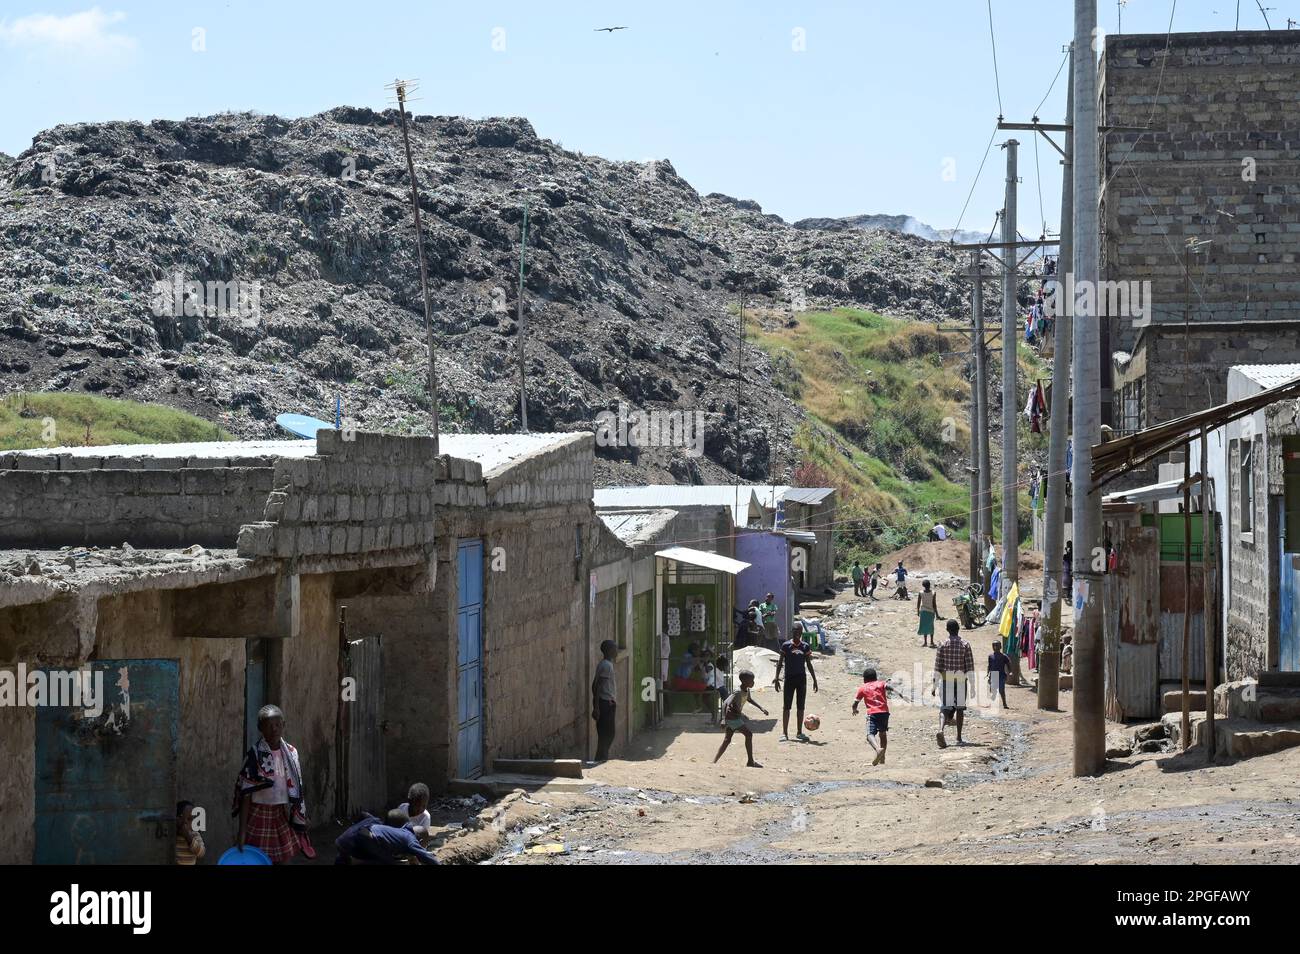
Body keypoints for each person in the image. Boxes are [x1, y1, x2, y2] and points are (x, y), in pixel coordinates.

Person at [233, 704, 310, 863]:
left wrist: (299, 815)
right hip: (259, 814)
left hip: (281, 813)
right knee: (257, 858)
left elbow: (297, 787)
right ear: (260, 728)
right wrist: (242, 832)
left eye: (277, 724)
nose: (274, 729)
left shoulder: (291, 753)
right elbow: (246, 794)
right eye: (268, 726)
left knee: (283, 857)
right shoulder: (254, 756)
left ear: (284, 725)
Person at [334, 808, 440, 865]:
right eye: (421, 845)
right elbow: (426, 857)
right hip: (365, 837)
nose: (420, 847)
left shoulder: (401, 832)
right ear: (419, 840)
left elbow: (363, 814)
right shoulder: (410, 838)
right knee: (390, 862)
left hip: (347, 841)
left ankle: (354, 861)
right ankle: (355, 862)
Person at [773, 623, 819, 742]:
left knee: (801, 707)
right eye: (795, 631)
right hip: (789, 679)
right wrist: (777, 678)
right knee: (786, 707)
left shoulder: (805, 646)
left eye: (799, 631)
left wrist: (814, 680)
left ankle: (799, 732)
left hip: (801, 679)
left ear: (802, 632)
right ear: (792, 632)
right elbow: (780, 662)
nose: (797, 633)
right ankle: (784, 733)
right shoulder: (786, 645)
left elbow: (808, 664)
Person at [933, 619, 974, 749]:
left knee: (945, 707)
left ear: (947, 630)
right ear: (958, 629)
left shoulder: (942, 644)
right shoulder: (965, 644)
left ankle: (940, 729)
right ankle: (959, 737)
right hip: (961, 679)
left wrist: (934, 685)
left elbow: (938, 666)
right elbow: (969, 666)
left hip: (947, 679)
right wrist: (972, 684)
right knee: (960, 709)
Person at [713, 670, 768, 768]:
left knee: (727, 740)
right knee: (749, 734)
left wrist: (761, 708)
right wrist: (724, 719)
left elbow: (749, 699)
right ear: (744, 681)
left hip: (734, 717)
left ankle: (714, 762)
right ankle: (750, 761)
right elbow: (726, 703)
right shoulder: (738, 692)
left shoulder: (746, 689)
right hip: (733, 718)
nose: (753, 682)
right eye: (751, 680)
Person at [852, 668, 894, 766]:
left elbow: (855, 703)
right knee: (882, 734)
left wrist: (854, 710)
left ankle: (878, 749)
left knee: (869, 735)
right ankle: (882, 758)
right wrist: (900, 693)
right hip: (884, 712)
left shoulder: (863, 687)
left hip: (873, 713)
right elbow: (889, 687)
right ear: (875, 677)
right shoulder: (881, 683)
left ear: (864, 679)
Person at [592, 639, 617, 762]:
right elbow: (598, 686)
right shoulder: (606, 666)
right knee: (607, 734)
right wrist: (596, 707)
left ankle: (600, 758)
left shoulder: (604, 664)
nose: (616, 651)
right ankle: (602, 759)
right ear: (609, 650)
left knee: (606, 734)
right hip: (605, 704)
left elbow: (594, 685)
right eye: (614, 648)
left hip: (606, 703)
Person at [175, 800, 205, 866]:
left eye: (191, 819)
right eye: (184, 819)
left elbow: (201, 853)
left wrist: (188, 837)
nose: (186, 823)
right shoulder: (173, 835)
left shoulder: (195, 834)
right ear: (177, 819)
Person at [916, 579, 941, 648]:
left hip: (923, 612)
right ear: (929, 585)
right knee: (931, 626)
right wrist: (937, 614)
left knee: (924, 626)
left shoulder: (920, 592)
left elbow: (918, 603)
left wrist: (918, 611)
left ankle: (925, 642)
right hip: (931, 612)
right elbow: (934, 604)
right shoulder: (933, 593)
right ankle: (932, 642)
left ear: (923, 586)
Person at [987, 640, 1011, 709]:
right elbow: (989, 666)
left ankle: (1004, 704)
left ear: (1000, 647)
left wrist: (1010, 671)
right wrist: (988, 674)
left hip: (1001, 675)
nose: (995, 647)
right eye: (993, 645)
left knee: (1001, 690)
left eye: (997, 645)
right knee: (992, 690)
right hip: (993, 675)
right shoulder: (990, 656)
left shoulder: (1004, 656)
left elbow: (1008, 664)